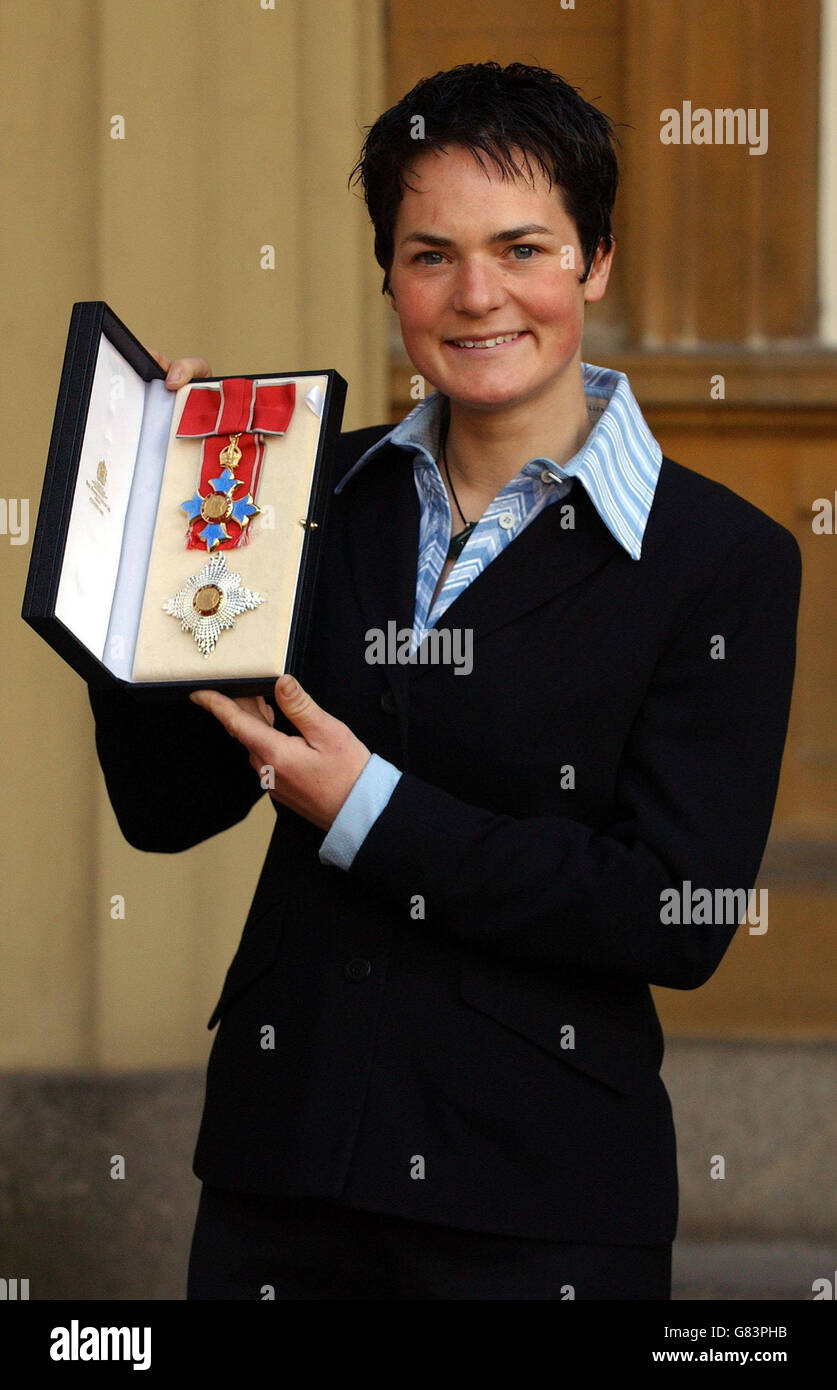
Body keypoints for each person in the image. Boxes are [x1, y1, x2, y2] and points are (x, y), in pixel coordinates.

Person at [89, 62, 801, 1300]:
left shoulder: (722, 561)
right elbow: (169, 809)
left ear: (597, 260)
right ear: (390, 278)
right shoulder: (299, 489)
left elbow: (673, 913)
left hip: (538, 1200)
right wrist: (144, 561)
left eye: (523, 247)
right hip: (283, 1170)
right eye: (431, 255)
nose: (477, 296)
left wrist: (372, 812)